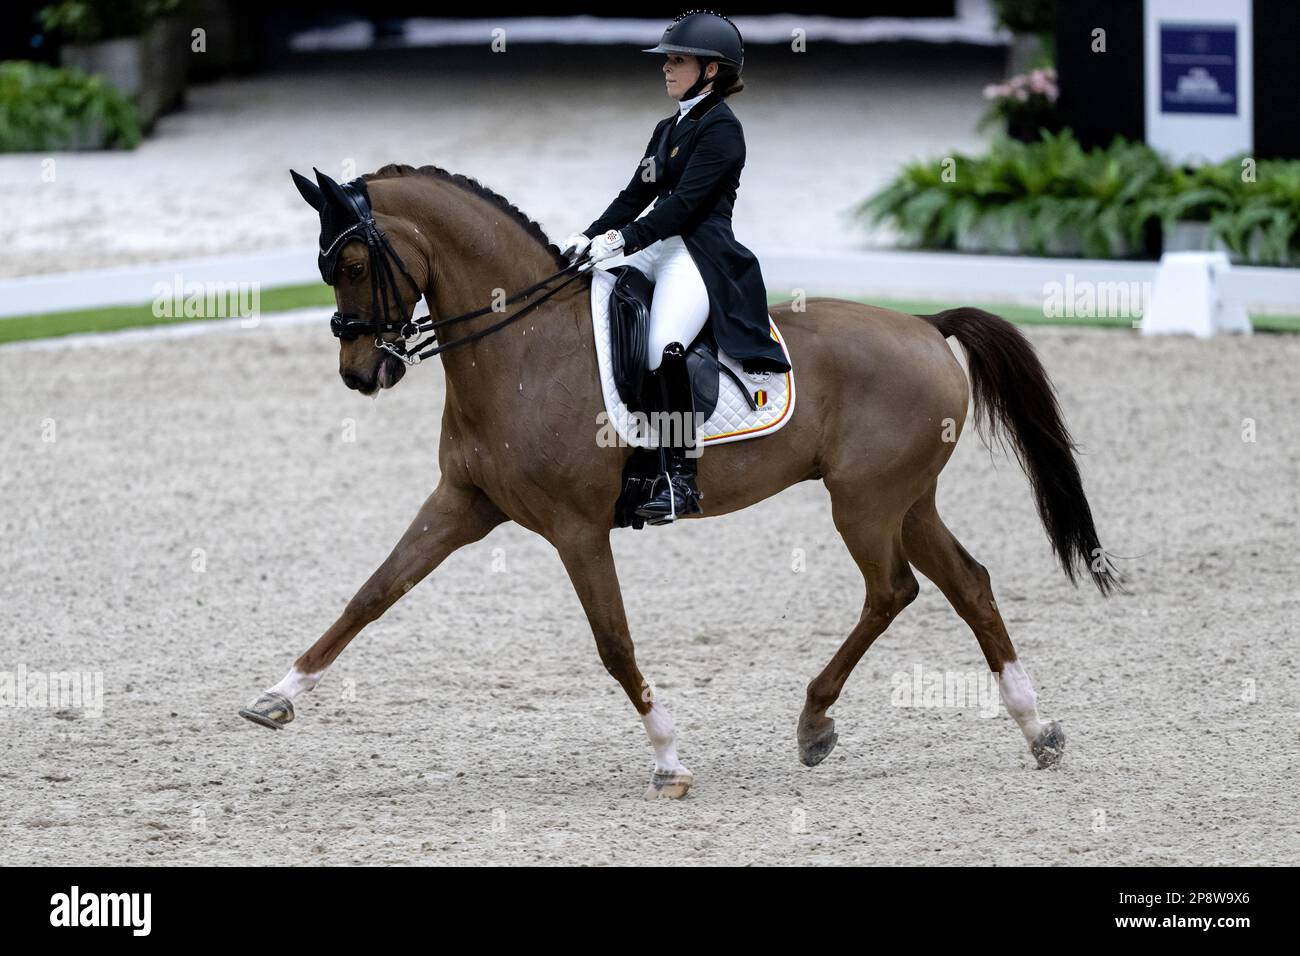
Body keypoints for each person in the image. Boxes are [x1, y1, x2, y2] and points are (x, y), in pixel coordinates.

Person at [563, 10, 790, 525]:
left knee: (660, 343)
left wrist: (623, 240)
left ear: (711, 71)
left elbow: (684, 206)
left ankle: (679, 478)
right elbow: (635, 194)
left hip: (698, 254)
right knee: (586, 300)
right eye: (666, 59)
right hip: (659, 245)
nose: (666, 67)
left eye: (678, 60)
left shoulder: (723, 131)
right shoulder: (669, 128)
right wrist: (590, 235)